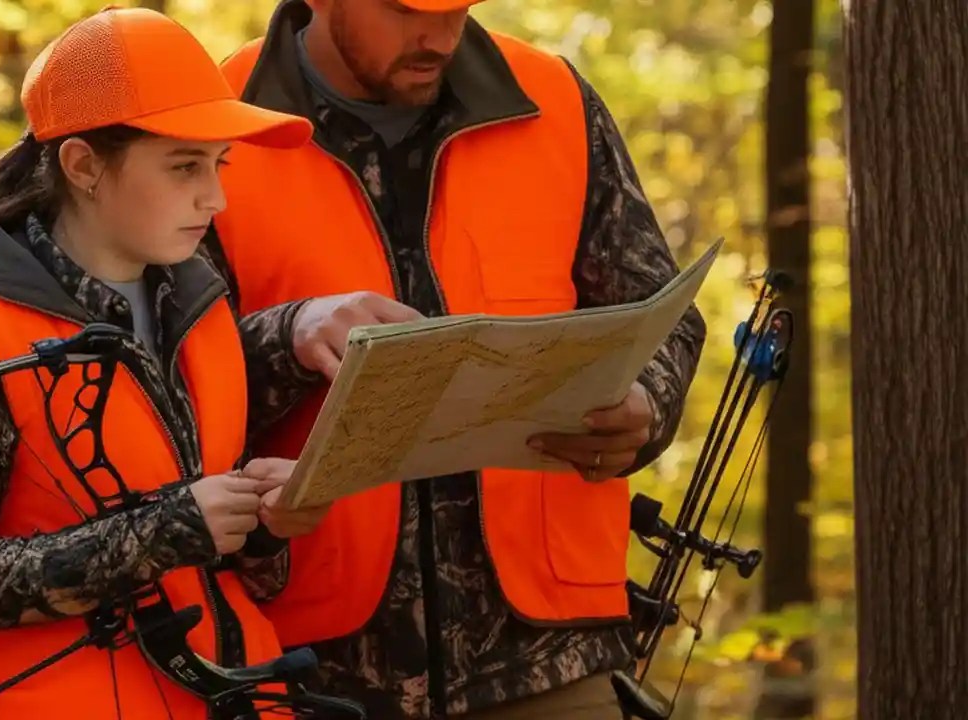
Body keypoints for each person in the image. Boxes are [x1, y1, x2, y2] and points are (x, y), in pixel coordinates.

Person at [200, 1, 708, 718]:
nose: (438, 36)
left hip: (553, 657)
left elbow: (666, 314)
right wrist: (287, 334)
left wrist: (644, 406)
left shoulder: (554, 99)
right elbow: (160, 379)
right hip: (314, 669)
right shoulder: (216, 120)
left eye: (459, 8)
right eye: (406, 9)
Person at [0, 7, 318, 719]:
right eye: (184, 168)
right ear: (83, 165)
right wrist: (168, 528)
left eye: (218, 165)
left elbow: (205, 558)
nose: (217, 197)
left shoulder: (196, 309)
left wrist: (258, 521)